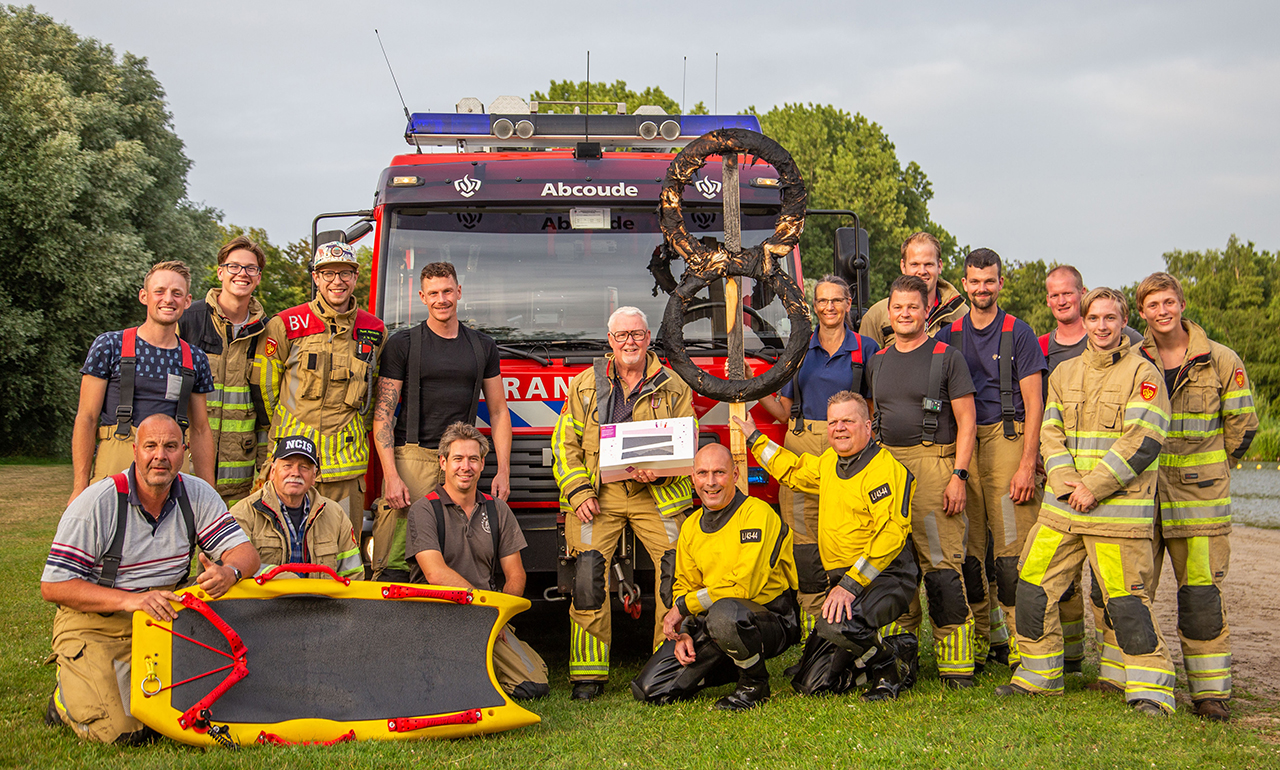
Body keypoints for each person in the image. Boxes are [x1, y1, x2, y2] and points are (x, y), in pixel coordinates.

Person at [997, 288, 1177, 716]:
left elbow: (1143, 441)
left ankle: (1152, 691)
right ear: (1085, 319)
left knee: (1127, 603)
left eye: (1110, 319)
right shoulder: (1063, 374)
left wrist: (1092, 487)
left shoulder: (1143, 374)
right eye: (1094, 318)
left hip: (1115, 514)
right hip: (1062, 510)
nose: (1101, 326)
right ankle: (1038, 677)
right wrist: (1064, 482)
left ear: (1123, 322)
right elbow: (1050, 433)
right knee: (1031, 586)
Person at [42, 414, 259, 744]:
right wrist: (130, 600)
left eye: (171, 446)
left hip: (163, 620)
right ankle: (64, 697)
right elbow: (54, 585)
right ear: (134, 451)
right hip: (96, 623)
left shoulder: (197, 493)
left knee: (193, 714)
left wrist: (229, 572)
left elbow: (247, 555)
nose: (160, 455)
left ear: (184, 452)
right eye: (151, 446)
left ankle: (115, 680)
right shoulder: (97, 502)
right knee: (126, 733)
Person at [1129, 272, 1257, 721]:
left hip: (1198, 504)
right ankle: (1140, 687)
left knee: (1200, 597)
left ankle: (1209, 694)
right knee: (1130, 592)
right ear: (1142, 312)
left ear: (1181, 304)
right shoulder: (1132, 358)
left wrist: (1208, 466)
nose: (1162, 312)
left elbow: (1242, 428)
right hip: (1141, 500)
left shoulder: (1221, 359)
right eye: (1152, 305)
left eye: (1168, 302)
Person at [552, 306, 696, 700]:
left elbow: (687, 440)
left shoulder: (674, 385)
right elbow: (564, 445)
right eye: (621, 336)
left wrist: (662, 473)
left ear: (649, 338)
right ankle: (588, 675)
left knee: (675, 572)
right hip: (600, 495)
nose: (629, 342)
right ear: (610, 341)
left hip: (659, 495)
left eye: (637, 334)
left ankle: (665, 663)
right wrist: (579, 491)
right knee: (586, 576)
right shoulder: (585, 385)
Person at [737, 392, 920, 701]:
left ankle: (889, 668)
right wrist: (755, 438)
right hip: (848, 583)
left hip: (885, 578)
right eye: (833, 421)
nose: (839, 428)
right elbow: (793, 471)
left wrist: (850, 583)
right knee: (811, 685)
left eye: (848, 421)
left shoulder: (883, 469)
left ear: (867, 425)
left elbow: (892, 533)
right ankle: (885, 652)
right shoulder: (830, 462)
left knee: (841, 626)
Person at [936, 248, 1047, 673]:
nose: (982, 288)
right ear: (964, 284)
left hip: (1007, 438)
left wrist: (1027, 462)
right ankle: (982, 640)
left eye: (990, 281)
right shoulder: (949, 334)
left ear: (1001, 283)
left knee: (1010, 553)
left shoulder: (1019, 332)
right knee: (968, 552)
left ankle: (1024, 644)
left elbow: (1035, 404)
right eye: (975, 281)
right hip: (963, 443)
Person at [867, 275, 979, 687]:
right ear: (889, 311)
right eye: (898, 307)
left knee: (942, 569)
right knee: (895, 567)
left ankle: (956, 667)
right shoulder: (877, 360)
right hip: (887, 470)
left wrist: (959, 476)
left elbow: (967, 421)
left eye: (913, 307)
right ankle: (901, 659)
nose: (905, 314)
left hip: (935, 468)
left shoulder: (946, 358)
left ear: (927, 309)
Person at [631, 444, 800, 710]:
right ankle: (731, 662)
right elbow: (685, 584)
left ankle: (754, 684)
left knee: (726, 613)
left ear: (734, 475)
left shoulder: (757, 514)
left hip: (769, 618)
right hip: (714, 620)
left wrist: (684, 608)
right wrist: (685, 630)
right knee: (651, 689)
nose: (710, 482)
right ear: (692, 476)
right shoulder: (690, 526)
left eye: (719, 473)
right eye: (702, 473)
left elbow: (743, 586)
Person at [372, 261, 511, 580]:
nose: (441, 299)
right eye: (433, 293)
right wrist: (391, 475)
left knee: (460, 549)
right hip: (413, 460)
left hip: (462, 462)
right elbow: (383, 416)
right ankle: (395, 622)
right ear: (422, 296)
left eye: (447, 291)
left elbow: (499, 412)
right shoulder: (402, 344)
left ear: (459, 292)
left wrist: (502, 470)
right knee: (396, 557)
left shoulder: (482, 346)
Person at [758, 275, 879, 634]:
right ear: (814, 305)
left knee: (852, 530)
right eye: (823, 301)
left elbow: (872, 407)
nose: (829, 307)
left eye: (837, 300)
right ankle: (816, 627)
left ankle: (854, 619)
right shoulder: (799, 348)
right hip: (803, 441)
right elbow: (782, 411)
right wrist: (752, 385)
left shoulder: (866, 349)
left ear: (848, 303)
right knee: (804, 540)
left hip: (850, 445)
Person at [405, 422, 549, 701]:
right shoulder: (424, 510)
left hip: (488, 619)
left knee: (534, 685)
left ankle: (484, 667)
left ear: (483, 464)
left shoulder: (498, 510)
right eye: (457, 459)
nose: (465, 467)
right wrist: (484, 610)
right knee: (440, 686)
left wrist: (500, 618)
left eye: (473, 459)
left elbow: (516, 575)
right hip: (438, 617)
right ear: (443, 462)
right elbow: (436, 574)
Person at [259, 241, 385, 553]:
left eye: (345, 273)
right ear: (316, 278)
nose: (337, 281)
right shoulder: (286, 324)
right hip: (293, 464)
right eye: (328, 273)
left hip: (347, 466)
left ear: (356, 277)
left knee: (342, 551)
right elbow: (266, 390)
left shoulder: (374, 330)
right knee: (283, 549)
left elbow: (374, 396)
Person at [70, 261, 215, 504]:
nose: (168, 299)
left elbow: (200, 430)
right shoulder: (109, 346)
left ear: (187, 301)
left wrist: (209, 493)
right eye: (160, 291)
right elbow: (86, 418)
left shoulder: (195, 359)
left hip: (170, 464)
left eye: (176, 293)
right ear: (144, 296)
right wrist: (79, 486)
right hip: (116, 458)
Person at [179, 236, 270, 506]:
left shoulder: (267, 331)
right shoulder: (187, 320)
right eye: (234, 267)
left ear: (258, 277)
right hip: (185, 468)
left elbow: (268, 407)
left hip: (240, 477)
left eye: (250, 268)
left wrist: (265, 470)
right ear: (220, 272)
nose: (242, 274)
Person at [229, 435, 364, 580]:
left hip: (323, 602)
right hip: (264, 602)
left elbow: (353, 575)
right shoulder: (244, 513)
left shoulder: (335, 514)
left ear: (314, 476)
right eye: (287, 465)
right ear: (273, 472)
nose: (295, 473)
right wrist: (282, 579)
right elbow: (231, 569)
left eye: (304, 467)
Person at [859, 231, 968, 347]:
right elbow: (867, 361)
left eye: (929, 264)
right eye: (915, 264)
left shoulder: (962, 314)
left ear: (939, 266)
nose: (922, 271)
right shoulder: (876, 316)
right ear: (903, 266)